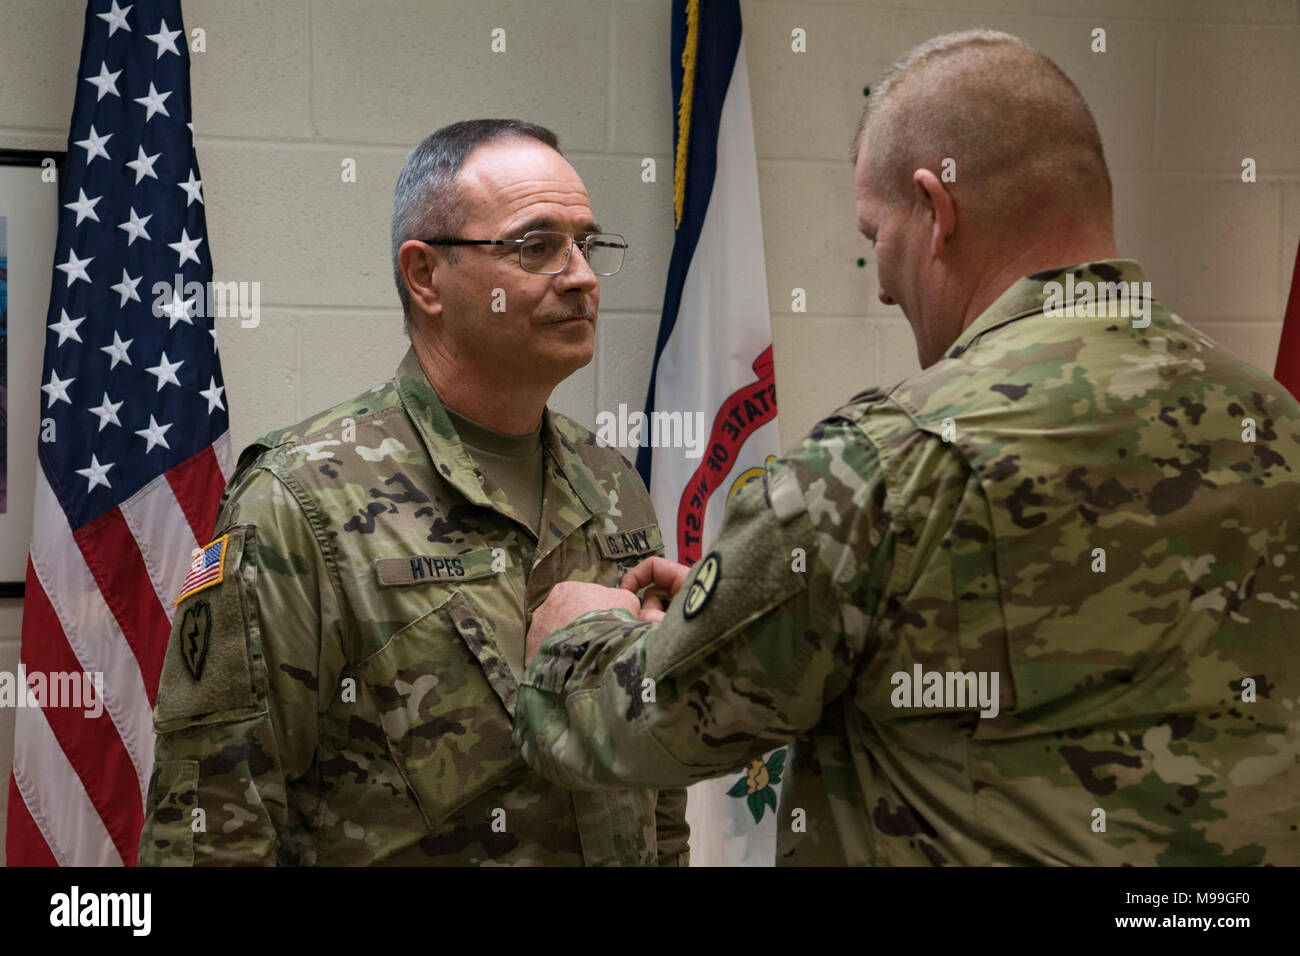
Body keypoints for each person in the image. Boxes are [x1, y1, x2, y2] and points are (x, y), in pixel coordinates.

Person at [513, 31, 1300, 866]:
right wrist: (742, 600)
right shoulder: (1274, 419)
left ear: (935, 208)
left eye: (874, 233)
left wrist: (576, 637)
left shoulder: (892, 462)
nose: (881, 282)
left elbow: (650, 723)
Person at [139, 119, 689, 865]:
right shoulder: (302, 500)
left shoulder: (612, 485)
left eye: (587, 244)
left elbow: (655, 792)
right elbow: (211, 829)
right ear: (426, 276)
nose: (582, 276)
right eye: (537, 247)